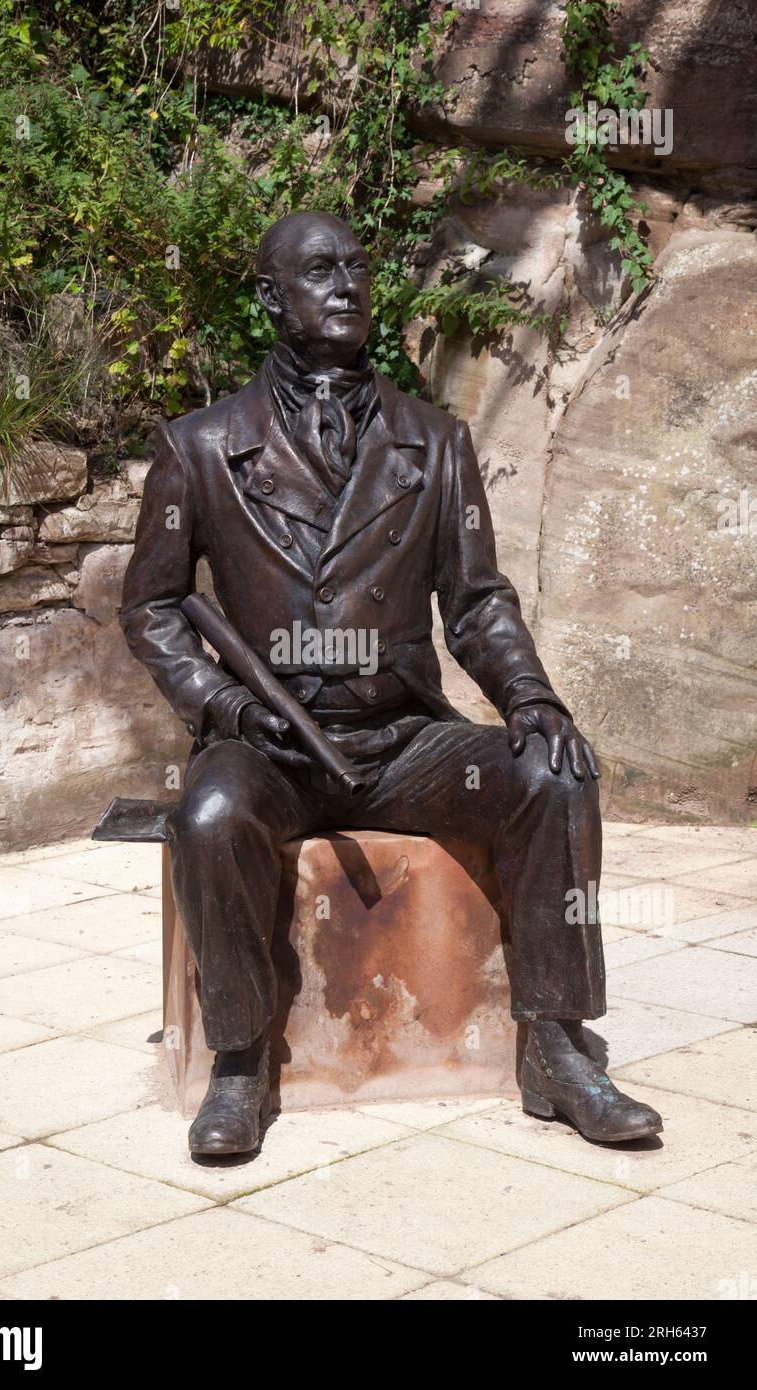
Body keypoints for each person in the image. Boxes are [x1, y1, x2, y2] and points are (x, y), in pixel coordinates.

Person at [120, 211, 663, 1156]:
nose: (348, 285)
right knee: (208, 817)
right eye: (320, 270)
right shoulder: (199, 448)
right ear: (270, 297)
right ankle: (241, 1061)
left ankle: (558, 1044)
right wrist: (222, 706)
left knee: (555, 772)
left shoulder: (434, 441)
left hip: (406, 742)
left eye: (359, 268)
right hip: (271, 747)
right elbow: (153, 610)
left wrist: (532, 700)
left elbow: (479, 602)